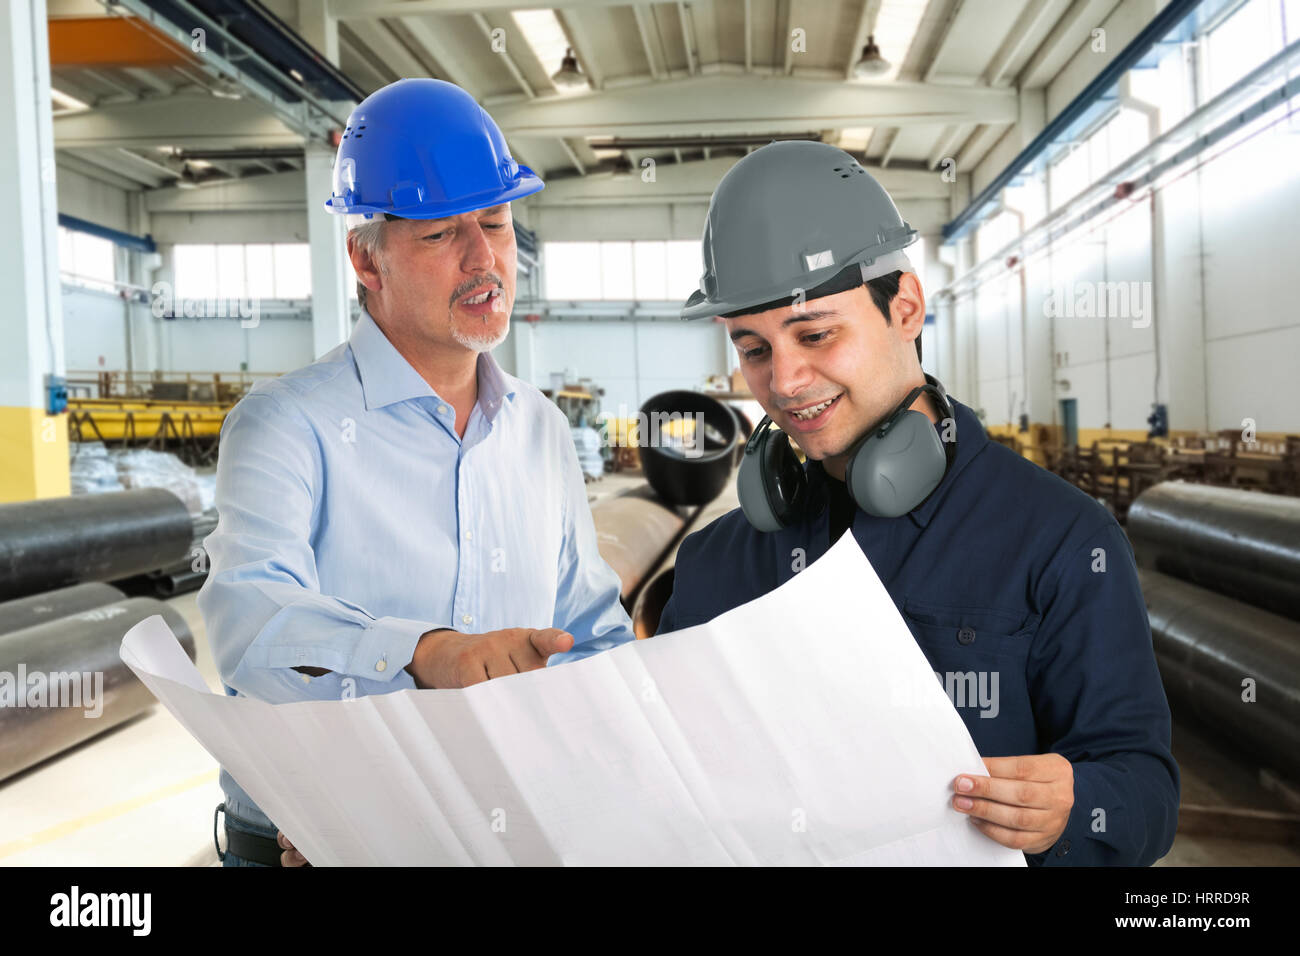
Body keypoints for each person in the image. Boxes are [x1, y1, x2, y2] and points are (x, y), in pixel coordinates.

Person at [658, 140, 1179, 866]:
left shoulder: (1061, 542)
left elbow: (1145, 789)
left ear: (905, 307)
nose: (785, 381)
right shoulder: (717, 560)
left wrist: (1077, 804)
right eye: (754, 349)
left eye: (814, 334)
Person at [198, 79, 634, 867]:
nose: (485, 260)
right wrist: (422, 653)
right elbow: (253, 627)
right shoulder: (287, 425)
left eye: (497, 224)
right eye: (440, 236)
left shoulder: (538, 429)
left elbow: (593, 632)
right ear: (367, 259)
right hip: (318, 845)